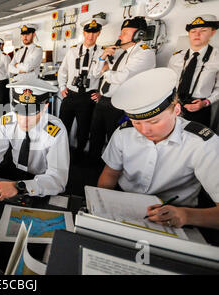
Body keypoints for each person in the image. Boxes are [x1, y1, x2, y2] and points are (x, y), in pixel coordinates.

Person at [97, 68, 219, 230]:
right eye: (137, 123)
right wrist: (100, 209)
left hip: (177, 216)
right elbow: (110, 175)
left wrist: (186, 215)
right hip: (123, 207)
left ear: (176, 110)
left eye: (154, 122)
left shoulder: (203, 143)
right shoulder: (123, 133)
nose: (144, 130)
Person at [88, 16, 156, 164]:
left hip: (122, 104)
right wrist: (102, 58)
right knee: (95, 136)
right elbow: (94, 73)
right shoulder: (120, 52)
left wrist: (105, 70)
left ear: (139, 35)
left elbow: (122, 78)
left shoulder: (144, 52)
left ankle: (114, 171)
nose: (119, 36)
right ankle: (91, 169)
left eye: (124, 32)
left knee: (116, 140)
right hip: (104, 101)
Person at [57, 16, 105, 162]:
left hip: (88, 97)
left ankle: (78, 156)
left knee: (84, 129)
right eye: (88, 32)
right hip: (70, 95)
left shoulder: (102, 53)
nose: (91, 36)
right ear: (83, 33)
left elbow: (106, 76)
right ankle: (59, 153)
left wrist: (101, 93)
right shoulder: (72, 51)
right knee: (62, 125)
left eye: (94, 32)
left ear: (99, 33)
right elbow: (63, 70)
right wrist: (62, 87)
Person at [168, 14, 219, 127]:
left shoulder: (217, 57)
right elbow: (167, 81)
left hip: (200, 107)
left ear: (213, 32)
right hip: (174, 104)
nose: (197, 34)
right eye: (193, 31)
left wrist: (206, 102)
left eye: (203, 30)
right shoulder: (177, 56)